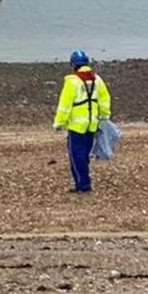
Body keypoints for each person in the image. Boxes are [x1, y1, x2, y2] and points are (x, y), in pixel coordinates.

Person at [53, 49, 111, 193]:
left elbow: (64, 105)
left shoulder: (72, 82)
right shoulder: (97, 79)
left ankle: (83, 185)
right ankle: (82, 183)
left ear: (73, 65)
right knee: (84, 155)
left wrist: (59, 123)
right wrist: (104, 116)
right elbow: (104, 100)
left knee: (76, 155)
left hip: (77, 126)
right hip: (92, 124)